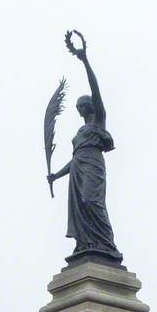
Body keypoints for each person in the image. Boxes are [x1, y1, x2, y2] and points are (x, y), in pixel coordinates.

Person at [47, 37, 122, 263]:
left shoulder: (98, 121)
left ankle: (107, 245)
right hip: (79, 166)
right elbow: (74, 159)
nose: (79, 108)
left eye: (82, 104)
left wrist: (85, 61)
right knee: (80, 207)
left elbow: (95, 89)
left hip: (93, 164)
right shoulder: (80, 131)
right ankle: (87, 243)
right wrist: (56, 176)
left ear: (90, 106)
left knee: (92, 201)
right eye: (77, 106)